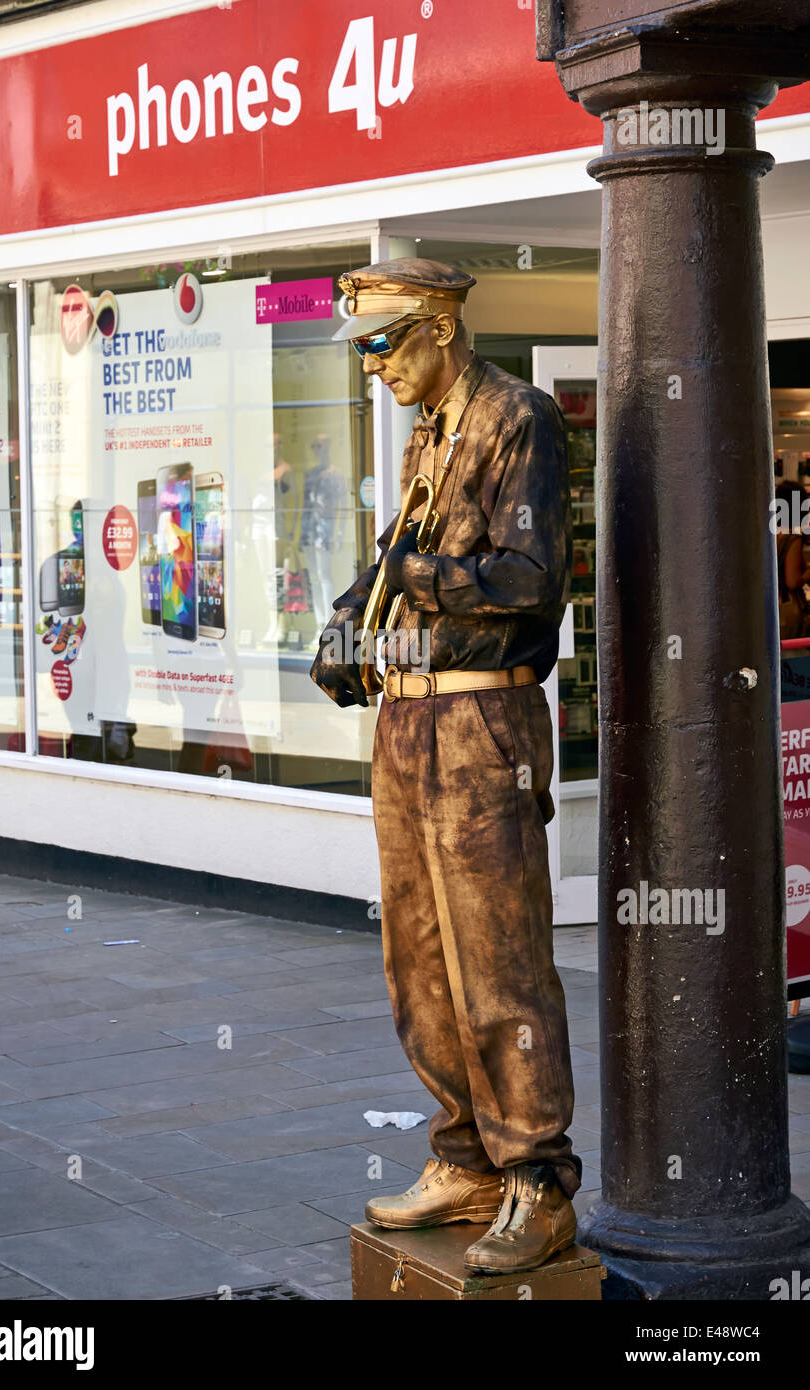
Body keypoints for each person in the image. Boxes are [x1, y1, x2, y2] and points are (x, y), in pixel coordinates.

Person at [310, 258, 580, 1274]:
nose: (374, 366)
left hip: (484, 725)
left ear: (438, 324)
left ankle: (538, 1180)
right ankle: (464, 1154)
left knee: (500, 960)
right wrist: (348, 622)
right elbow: (387, 556)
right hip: (411, 725)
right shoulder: (430, 431)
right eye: (365, 349)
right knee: (419, 961)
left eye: (383, 343)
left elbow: (530, 579)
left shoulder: (520, 416)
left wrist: (412, 577)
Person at [775, 481, 810, 639]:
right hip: (788, 611)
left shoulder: (772, 534)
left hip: (772, 606)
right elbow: (792, 581)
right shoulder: (792, 538)